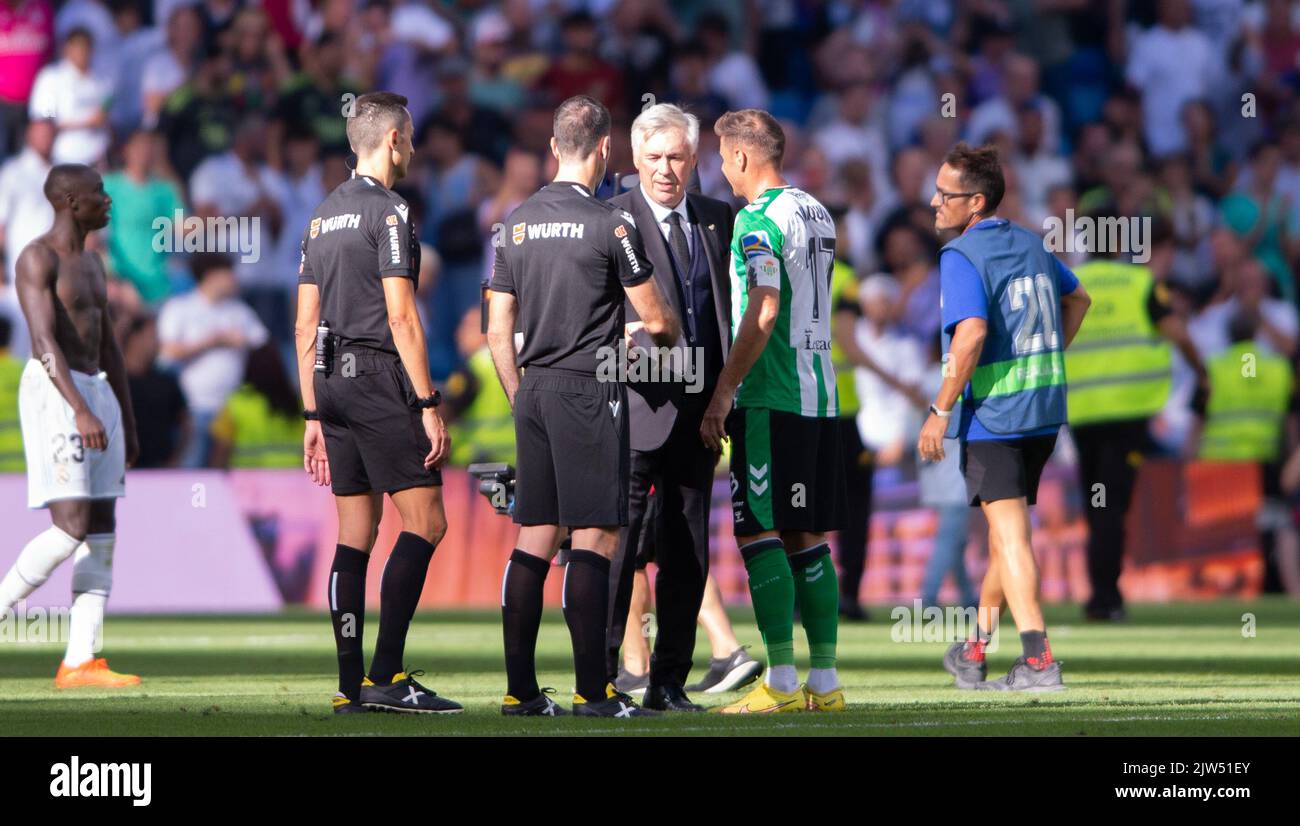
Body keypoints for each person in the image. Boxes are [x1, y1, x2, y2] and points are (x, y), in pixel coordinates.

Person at [487, 94, 678, 718]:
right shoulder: (611, 224)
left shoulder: (514, 222)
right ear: (604, 150)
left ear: (553, 148)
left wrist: (520, 397)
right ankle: (594, 692)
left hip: (534, 388)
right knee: (595, 538)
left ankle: (520, 691)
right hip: (590, 389)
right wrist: (658, 331)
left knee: (535, 536)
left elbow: (495, 329)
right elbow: (654, 318)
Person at [295, 91, 459, 716]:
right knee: (427, 523)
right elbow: (401, 314)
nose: (412, 149)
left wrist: (312, 413)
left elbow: (303, 325)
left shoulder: (321, 215)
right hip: (376, 379)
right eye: (410, 138)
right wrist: (426, 401)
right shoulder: (390, 211)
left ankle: (348, 685)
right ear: (393, 141)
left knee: (355, 533)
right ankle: (387, 676)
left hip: (330, 382)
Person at [918, 143, 1091, 692]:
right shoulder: (1032, 244)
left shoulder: (961, 256)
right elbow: (1079, 299)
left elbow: (970, 335)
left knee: (1011, 536)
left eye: (944, 194)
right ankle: (973, 648)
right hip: (1044, 410)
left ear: (974, 202)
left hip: (997, 413)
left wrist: (939, 410)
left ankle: (1039, 662)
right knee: (1004, 533)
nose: (932, 202)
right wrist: (1044, 355)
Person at [700, 109, 848, 714]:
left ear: (740, 157)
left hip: (771, 394)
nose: (722, 170)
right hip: (822, 395)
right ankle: (826, 682)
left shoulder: (755, 221)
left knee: (759, 530)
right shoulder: (818, 210)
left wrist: (724, 391)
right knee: (807, 537)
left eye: (722, 157)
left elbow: (763, 307)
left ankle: (781, 680)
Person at [603, 102, 734, 712]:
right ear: (634, 159)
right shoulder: (610, 219)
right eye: (653, 157)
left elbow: (729, 313)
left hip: (701, 416)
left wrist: (726, 397)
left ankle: (669, 682)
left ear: (694, 157)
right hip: (631, 410)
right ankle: (603, 679)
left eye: (676, 157)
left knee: (687, 550)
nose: (664, 169)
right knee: (620, 546)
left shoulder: (719, 219)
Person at [0, 163, 141, 687]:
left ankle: (80, 660)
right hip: (56, 391)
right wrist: (79, 408)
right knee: (71, 526)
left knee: (102, 529)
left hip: (97, 387)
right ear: (69, 201)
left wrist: (123, 413)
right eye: (98, 194)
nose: (108, 200)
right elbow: (43, 344)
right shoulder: (37, 257)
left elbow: (108, 345)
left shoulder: (95, 263)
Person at [1065, 227, 1207, 621]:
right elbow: (1175, 331)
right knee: (1112, 505)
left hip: (1082, 413)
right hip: (1127, 413)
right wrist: (1201, 370)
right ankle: (1105, 598)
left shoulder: (1070, 281)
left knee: (1098, 504)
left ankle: (1101, 595)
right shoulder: (1139, 282)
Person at [157, 253, 269, 467]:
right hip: (192, 410)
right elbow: (168, 353)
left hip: (232, 411)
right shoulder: (180, 307)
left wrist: (240, 341)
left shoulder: (240, 311)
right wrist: (213, 341)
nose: (234, 278)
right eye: (228, 273)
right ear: (211, 276)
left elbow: (263, 347)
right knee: (192, 473)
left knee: (227, 478)